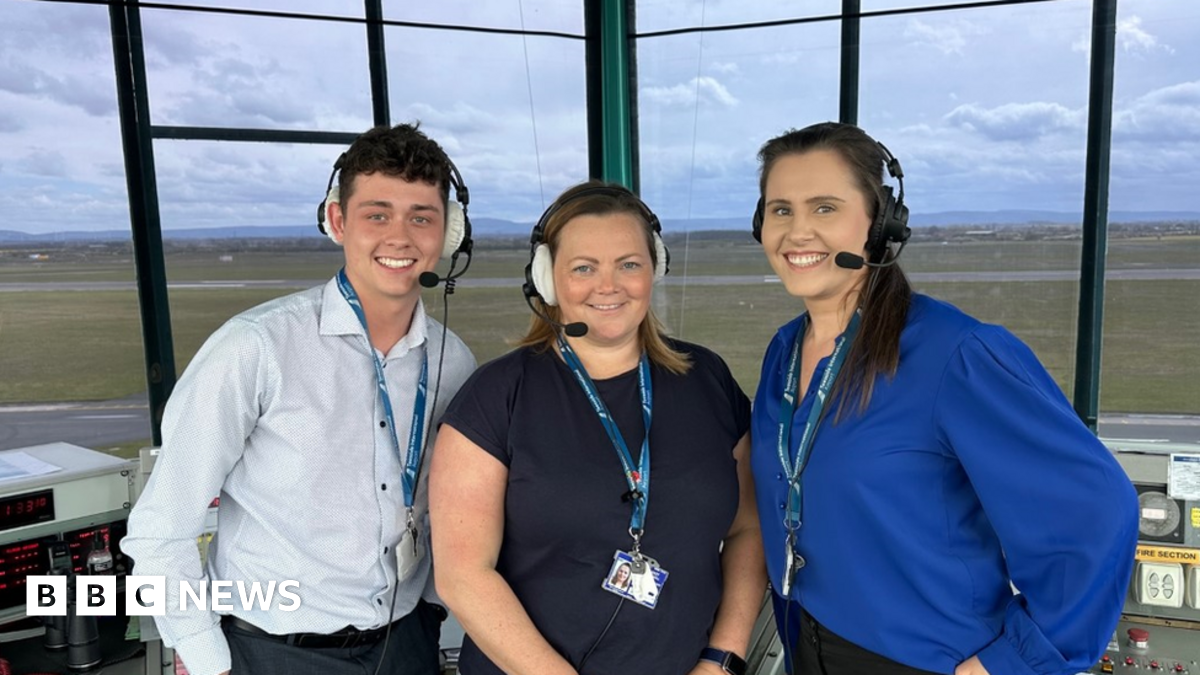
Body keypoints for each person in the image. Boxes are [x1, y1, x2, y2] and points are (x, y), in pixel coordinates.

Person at [749, 121, 1139, 675]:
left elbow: (1097, 510)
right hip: (806, 645)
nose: (797, 231)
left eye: (825, 208)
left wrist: (1016, 661)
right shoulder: (785, 352)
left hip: (925, 659)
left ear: (879, 222)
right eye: (781, 209)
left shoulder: (957, 355)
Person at [121, 122, 477, 675]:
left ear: (446, 234)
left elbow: (448, 506)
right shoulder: (255, 347)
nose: (400, 237)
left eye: (421, 217)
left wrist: (429, 609)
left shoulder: (453, 361)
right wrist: (211, 661)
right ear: (337, 220)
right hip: (271, 651)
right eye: (377, 214)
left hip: (405, 643)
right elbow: (161, 529)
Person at [429, 181, 766, 675]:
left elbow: (749, 528)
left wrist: (720, 660)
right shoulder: (497, 395)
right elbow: (463, 575)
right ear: (547, 279)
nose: (608, 285)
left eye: (629, 264)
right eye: (583, 267)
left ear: (656, 267)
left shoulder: (707, 378)